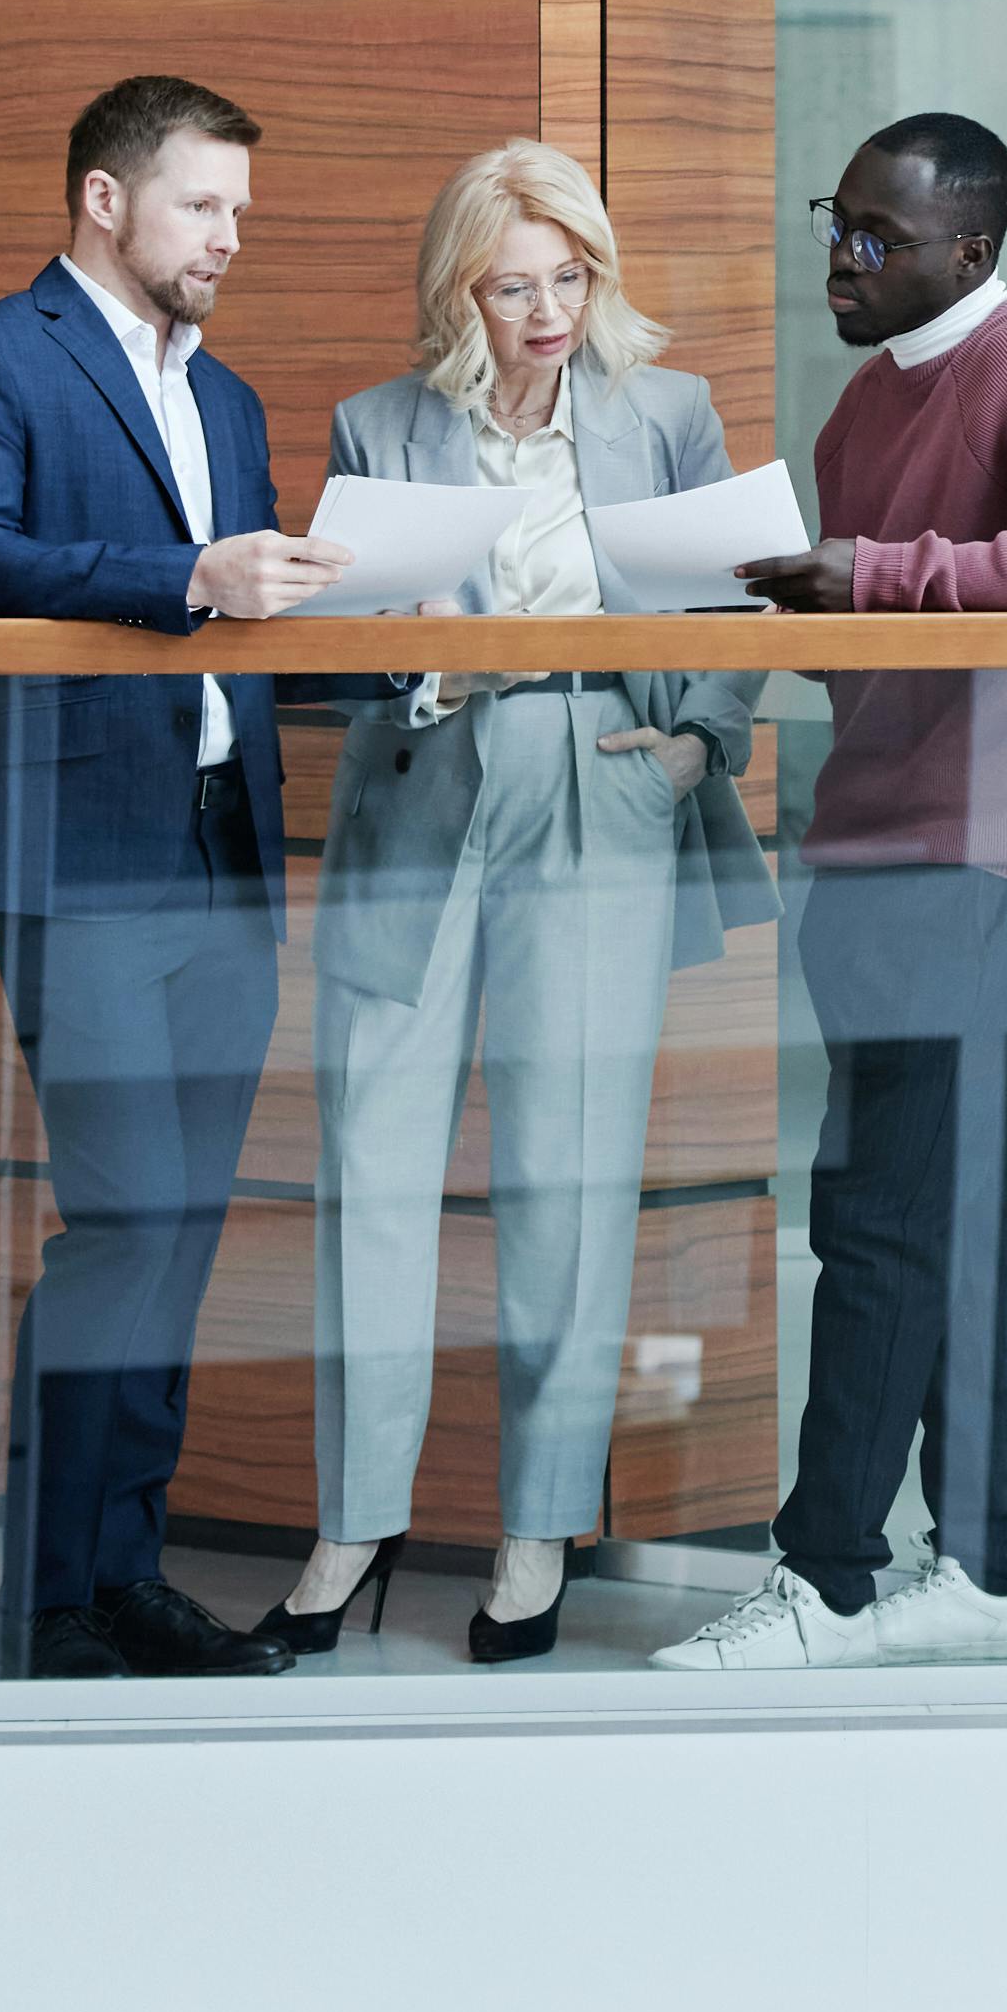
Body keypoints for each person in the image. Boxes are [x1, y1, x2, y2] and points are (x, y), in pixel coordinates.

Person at [655, 116, 1007, 1673]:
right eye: (835, 225)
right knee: (952, 1222)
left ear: (970, 251)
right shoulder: (864, 403)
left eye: (877, 237)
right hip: (877, 848)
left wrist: (862, 574)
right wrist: (771, 598)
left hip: (994, 859)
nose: (840, 262)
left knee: (871, 1221)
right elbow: (885, 621)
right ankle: (996, 1570)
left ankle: (831, 1583)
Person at [265, 144, 773, 1665]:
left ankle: (538, 1528)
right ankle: (353, 1524)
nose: (548, 309)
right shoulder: (381, 422)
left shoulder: (667, 413)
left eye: (570, 276)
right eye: (513, 283)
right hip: (425, 778)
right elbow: (332, 635)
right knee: (372, 1162)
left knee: (567, 1173)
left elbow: (741, 595)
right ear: (458, 290)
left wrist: (696, 742)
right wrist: (409, 653)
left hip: (599, 771)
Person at [0, 73, 342, 1678]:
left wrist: (405, 652)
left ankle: (126, 1574)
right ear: (104, 200)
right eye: (205, 206)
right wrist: (184, 574)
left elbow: (249, 619)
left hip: (224, 859)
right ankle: (44, 1604)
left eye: (241, 208)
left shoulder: (223, 399)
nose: (235, 235)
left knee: (182, 1231)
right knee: (120, 1222)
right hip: (81, 857)